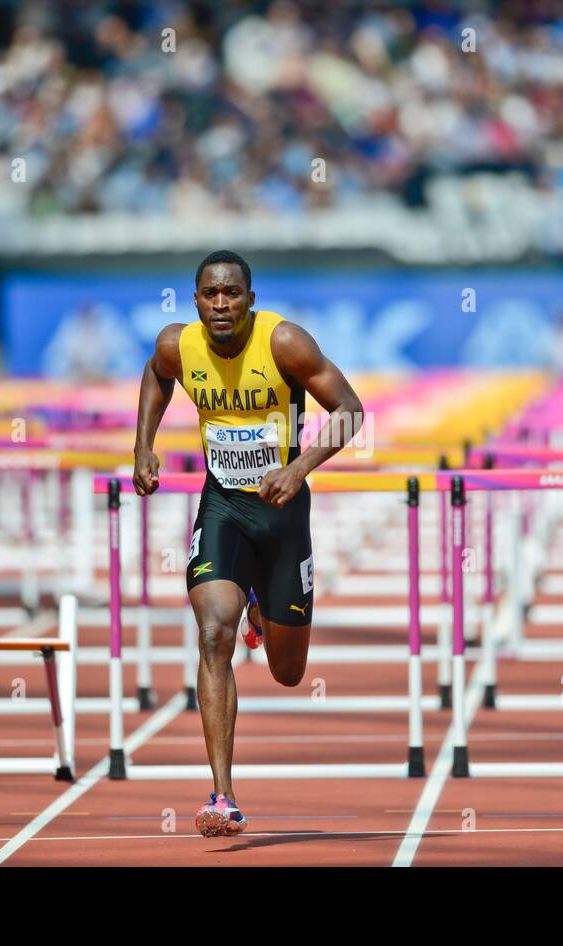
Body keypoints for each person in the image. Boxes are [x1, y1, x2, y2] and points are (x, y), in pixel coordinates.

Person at [132, 250, 364, 836]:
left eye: (232, 293)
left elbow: (349, 410)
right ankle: (222, 795)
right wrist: (144, 445)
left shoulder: (284, 343)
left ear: (249, 300)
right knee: (213, 633)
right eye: (210, 294)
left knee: (288, 671)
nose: (220, 304)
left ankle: (263, 604)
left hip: (283, 513)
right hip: (224, 507)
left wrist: (301, 467)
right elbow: (156, 377)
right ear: (195, 301)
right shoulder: (176, 345)